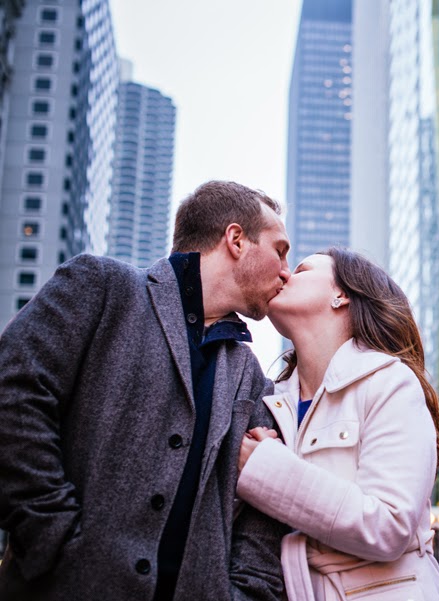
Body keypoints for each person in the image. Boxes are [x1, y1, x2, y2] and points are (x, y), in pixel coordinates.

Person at [0, 181, 292, 600]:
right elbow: (13, 395)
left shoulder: (252, 376)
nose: (286, 271)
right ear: (236, 239)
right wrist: (52, 535)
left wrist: (244, 594)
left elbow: (260, 517)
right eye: (280, 250)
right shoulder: (101, 286)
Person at [236, 247, 439, 601]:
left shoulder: (390, 382)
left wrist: (263, 469)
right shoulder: (269, 400)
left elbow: (388, 526)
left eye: (302, 270)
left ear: (341, 294)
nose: (285, 274)